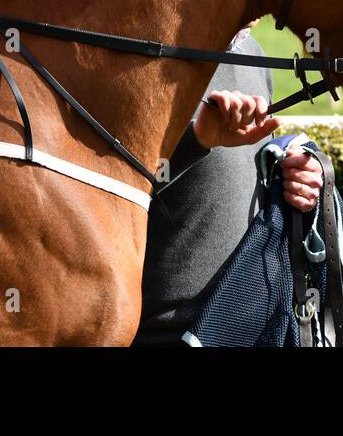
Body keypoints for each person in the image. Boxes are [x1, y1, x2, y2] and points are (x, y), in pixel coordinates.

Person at [134, 20, 323, 345]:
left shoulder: (253, 52)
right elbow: (117, 181)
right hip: (166, 330)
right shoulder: (150, 51)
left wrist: (299, 179)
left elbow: (252, 173)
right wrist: (197, 140)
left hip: (249, 327)